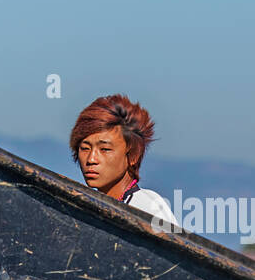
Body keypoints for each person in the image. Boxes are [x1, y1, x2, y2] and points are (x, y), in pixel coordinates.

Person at [69, 94, 179, 229]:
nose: (91, 159)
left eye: (105, 149)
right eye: (85, 148)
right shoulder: (85, 210)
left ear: (133, 156)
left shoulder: (148, 209)